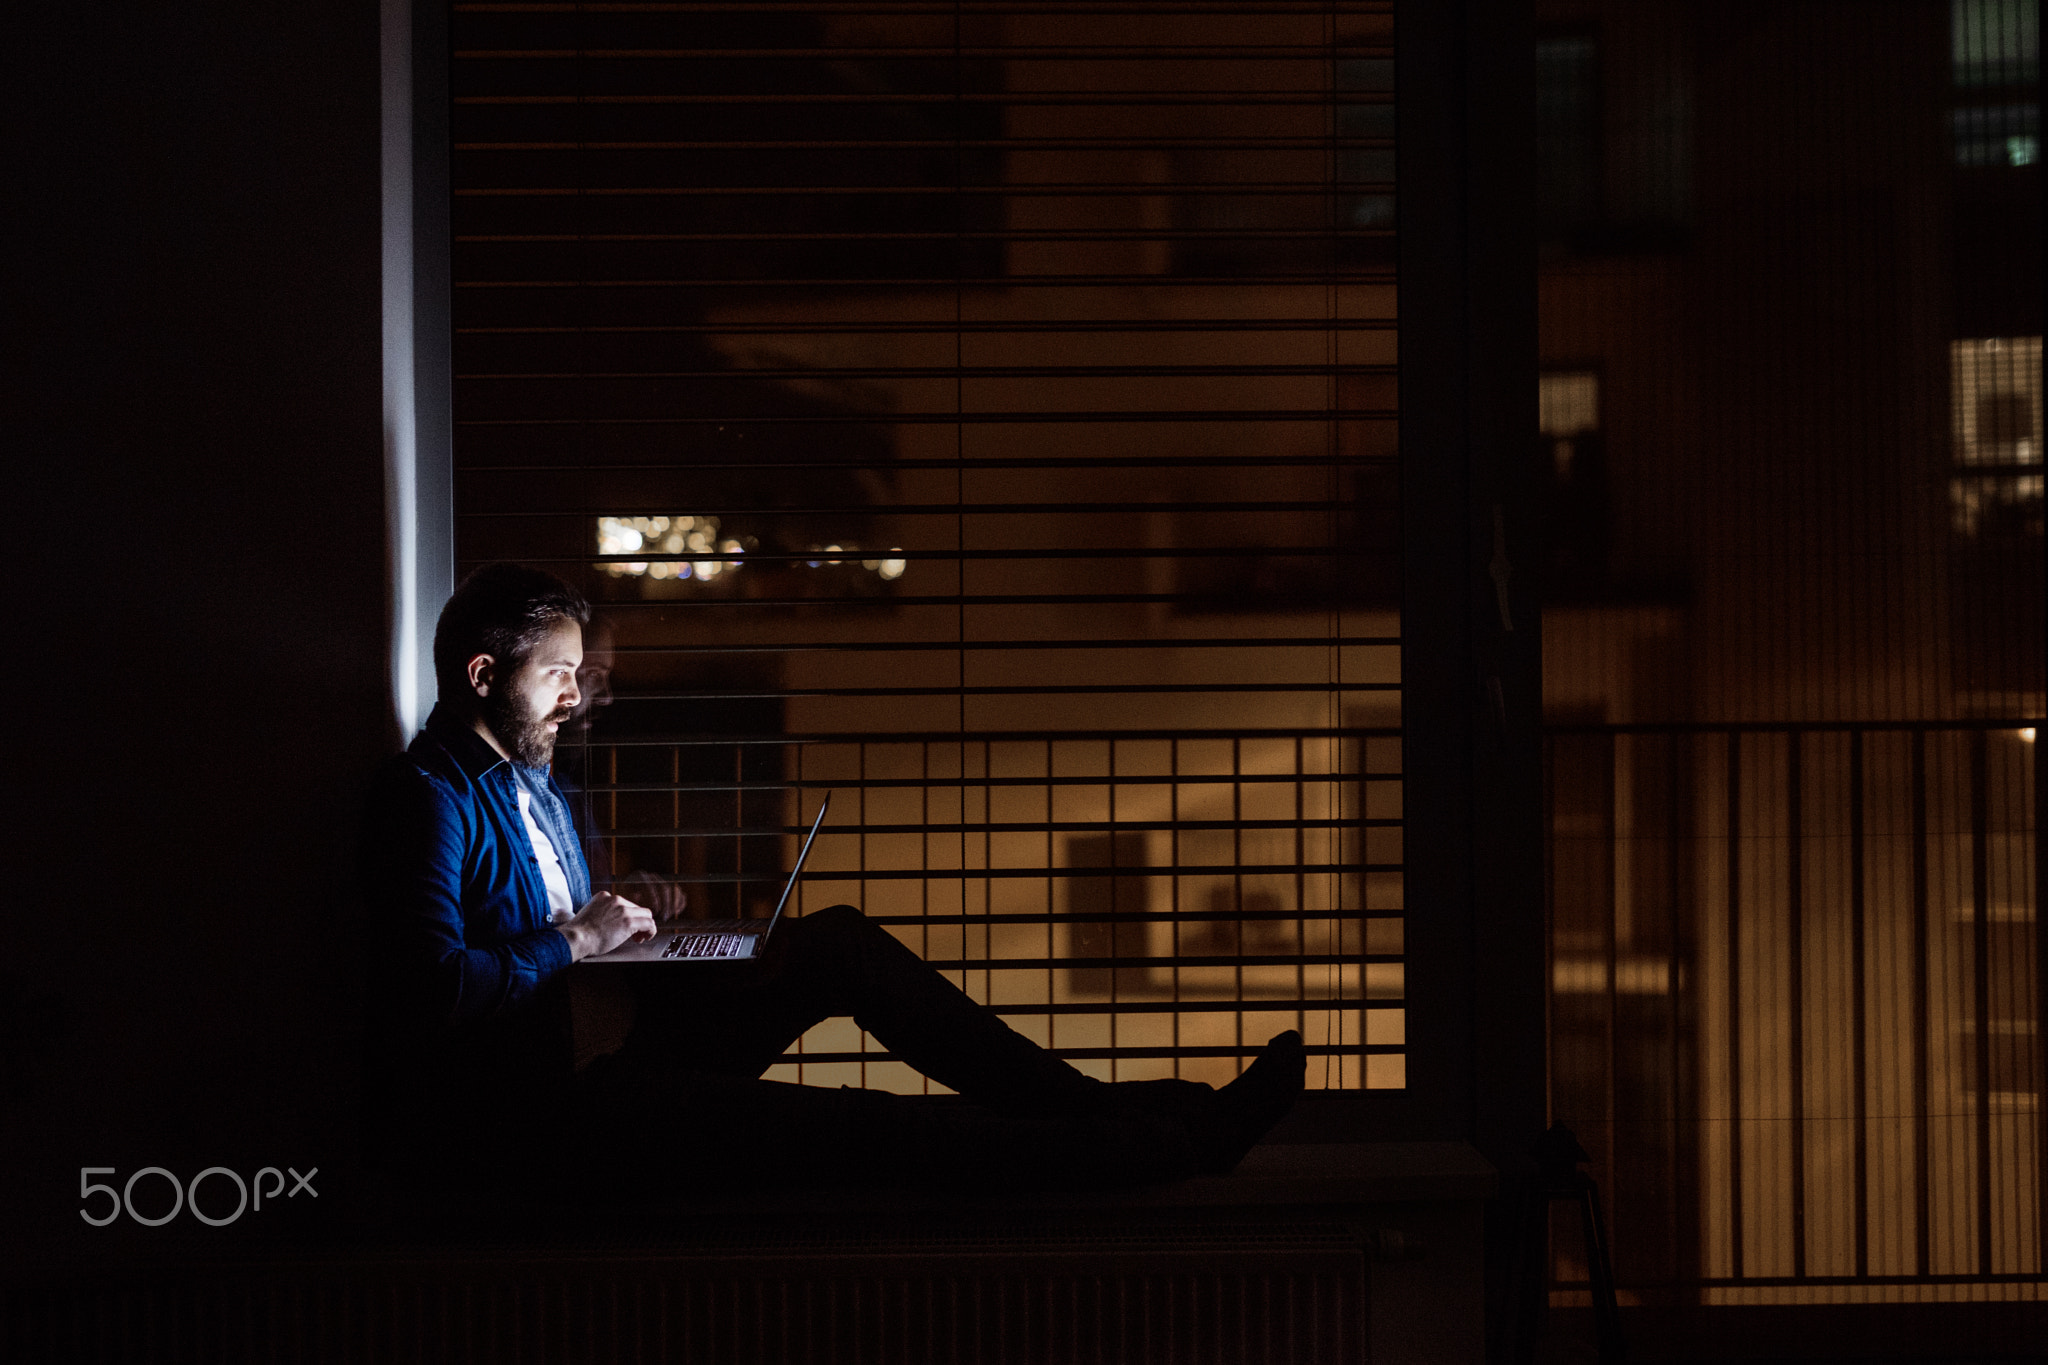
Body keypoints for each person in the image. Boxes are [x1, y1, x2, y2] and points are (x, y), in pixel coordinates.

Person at [362, 563, 1304, 1202]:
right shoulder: (430, 798)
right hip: (573, 1109)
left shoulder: (534, 777)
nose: (578, 695)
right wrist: (577, 940)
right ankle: (1171, 1144)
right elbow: (432, 990)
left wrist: (635, 917)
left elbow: (558, 923)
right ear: (486, 675)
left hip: (633, 1033)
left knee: (837, 938)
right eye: (558, 674)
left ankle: (1111, 1107)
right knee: (874, 1129)